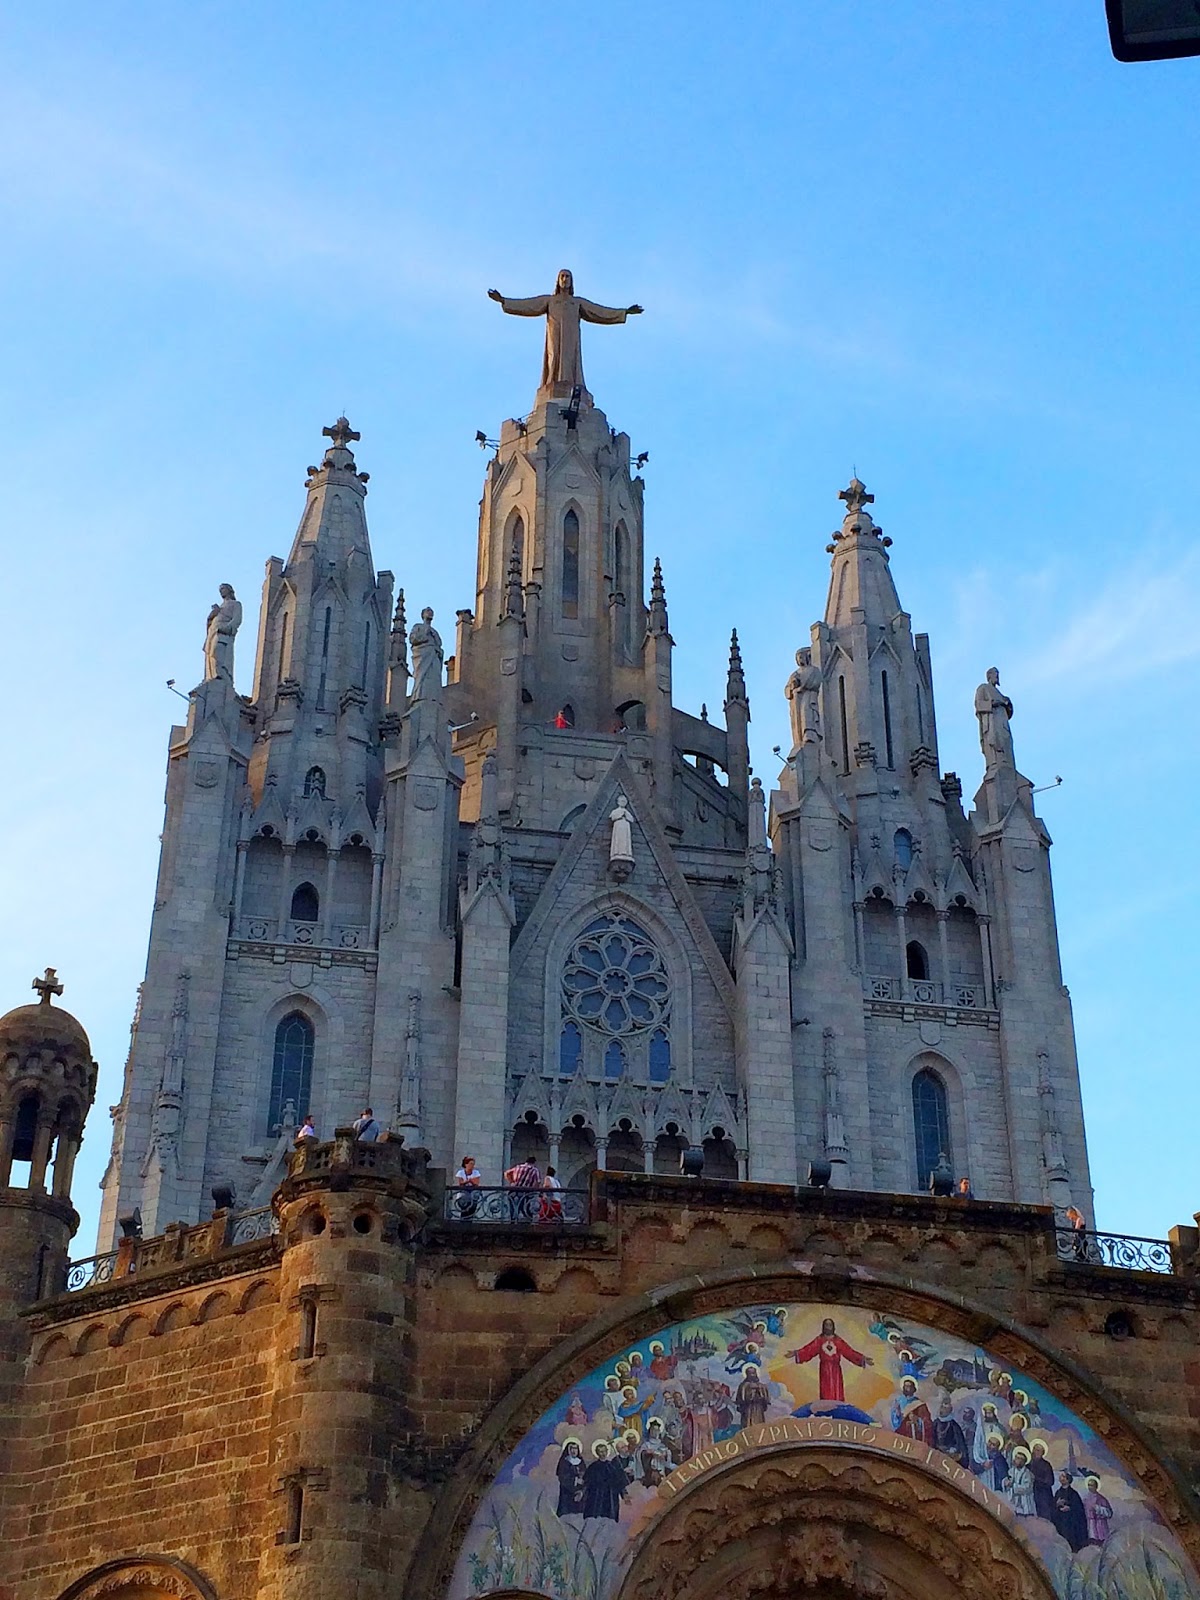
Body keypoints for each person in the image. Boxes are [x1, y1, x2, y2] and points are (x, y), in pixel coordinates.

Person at [788, 1318, 873, 1402]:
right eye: (826, 1325)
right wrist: (796, 1353)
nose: (828, 1327)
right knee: (826, 1391)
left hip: (836, 1369)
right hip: (824, 1369)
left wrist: (862, 1358)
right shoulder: (819, 1340)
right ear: (823, 1327)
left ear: (833, 1327)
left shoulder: (838, 1341)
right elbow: (809, 1349)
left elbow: (849, 1352)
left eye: (830, 1325)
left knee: (837, 1390)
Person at [581, 1440, 626, 1522]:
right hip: (596, 1496)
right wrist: (582, 1492)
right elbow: (587, 1482)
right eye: (600, 1452)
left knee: (609, 1517)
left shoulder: (612, 1466)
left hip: (610, 1495)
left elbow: (619, 1482)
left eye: (604, 1451)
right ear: (597, 1453)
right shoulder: (593, 1467)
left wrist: (624, 1495)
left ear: (607, 1451)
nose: (603, 1453)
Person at [1052, 1470, 1090, 1552]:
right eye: (1061, 1476)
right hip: (1060, 1521)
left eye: (1063, 1476)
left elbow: (1079, 1509)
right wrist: (1057, 1504)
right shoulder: (1058, 1492)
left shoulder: (1074, 1494)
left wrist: (1070, 1508)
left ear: (1067, 1479)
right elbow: (1053, 1506)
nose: (1061, 1478)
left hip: (1071, 1522)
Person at [891, 1378, 934, 1443]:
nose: (907, 1388)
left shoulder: (919, 1404)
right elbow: (894, 1420)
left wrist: (917, 1420)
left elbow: (927, 1422)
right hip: (902, 1433)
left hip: (915, 1434)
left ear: (914, 1388)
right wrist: (897, 1414)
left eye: (909, 1386)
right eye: (906, 1386)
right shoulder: (898, 1401)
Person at [504, 1154, 543, 1222]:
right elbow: (538, 1182)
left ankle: (512, 1220)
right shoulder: (534, 1170)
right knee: (524, 1206)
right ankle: (527, 1220)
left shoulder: (518, 1167)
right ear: (533, 1162)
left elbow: (507, 1173)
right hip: (524, 1191)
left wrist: (512, 1181)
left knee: (513, 1205)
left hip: (513, 1189)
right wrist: (533, 1190)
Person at [932, 1398, 969, 1466]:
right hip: (937, 1453)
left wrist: (954, 1449)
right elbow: (932, 1438)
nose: (942, 1410)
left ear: (949, 1410)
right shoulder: (936, 1423)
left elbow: (960, 1442)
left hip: (950, 1455)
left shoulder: (953, 1425)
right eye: (942, 1407)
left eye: (945, 1408)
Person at [555, 1438, 586, 1517]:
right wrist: (575, 1480)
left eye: (575, 1448)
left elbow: (585, 1476)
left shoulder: (581, 1462)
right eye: (572, 1448)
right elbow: (562, 1477)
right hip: (567, 1494)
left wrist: (582, 1490)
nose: (574, 1450)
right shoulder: (564, 1462)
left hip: (580, 1494)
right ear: (568, 1450)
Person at [735, 1364, 771, 1429]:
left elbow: (765, 1399)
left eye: (754, 1373)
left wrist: (760, 1393)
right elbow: (740, 1399)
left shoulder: (761, 1386)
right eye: (750, 1373)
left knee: (759, 1425)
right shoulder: (743, 1386)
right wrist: (750, 1394)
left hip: (758, 1409)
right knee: (748, 1425)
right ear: (747, 1374)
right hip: (748, 1409)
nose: (753, 1375)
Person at [1029, 1440, 1056, 1519]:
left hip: (1043, 1495)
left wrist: (1036, 1478)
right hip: (1030, 1493)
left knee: (1044, 1516)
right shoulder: (1029, 1463)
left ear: (1043, 1453)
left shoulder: (1046, 1465)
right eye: (1035, 1449)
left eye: (1039, 1451)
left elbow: (1050, 1481)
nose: (1036, 1452)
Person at [1083, 1476, 1114, 1544]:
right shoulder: (1086, 1499)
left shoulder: (1101, 1499)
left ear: (1096, 1486)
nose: (1090, 1487)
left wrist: (1098, 1508)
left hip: (1100, 1524)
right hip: (1090, 1523)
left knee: (1101, 1542)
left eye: (1092, 1485)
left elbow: (1109, 1513)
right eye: (1089, 1485)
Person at [1006, 1447, 1036, 1515]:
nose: (1016, 1460)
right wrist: (1006, 1483)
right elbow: (1008, 1480)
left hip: (1024, 1503)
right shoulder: (1011, 1471)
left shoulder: (1028, 1474)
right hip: (1012, 1501)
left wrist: (1013, 1486)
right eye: (1016, 1458)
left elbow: (1027, 1488)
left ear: (1024, 1461)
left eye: (1019, 1459)